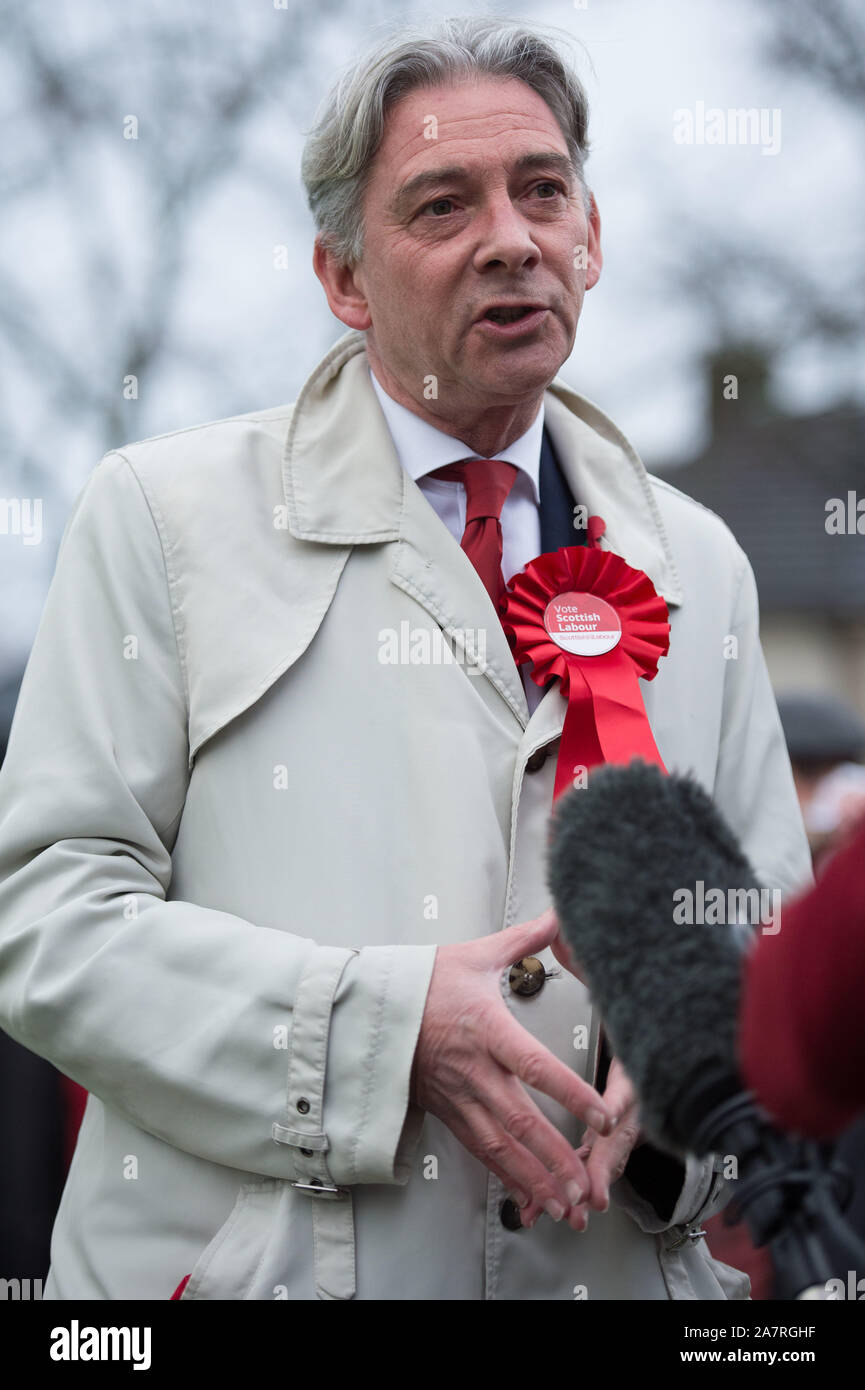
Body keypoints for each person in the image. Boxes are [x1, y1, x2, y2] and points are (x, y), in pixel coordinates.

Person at [0, 15, 812, 1301]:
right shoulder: (159, 517)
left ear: (590, 241)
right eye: (442, 204)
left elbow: (766, 951)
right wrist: (380, 1037)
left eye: (544, 190)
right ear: (342, 278)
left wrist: (682, 1091)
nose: (511, 237)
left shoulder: (701, 563)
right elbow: (42, 921)